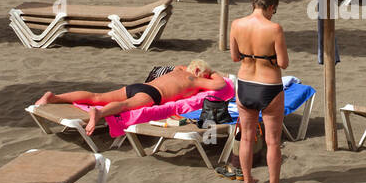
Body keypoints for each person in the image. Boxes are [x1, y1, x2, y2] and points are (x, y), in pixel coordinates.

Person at [35, 61, 229, 135]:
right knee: (125, 106)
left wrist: (194, 67)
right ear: (199, 72)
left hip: (141, 86)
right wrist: (213, 73)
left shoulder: (179, 70)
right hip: (153, 95)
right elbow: (220, 84)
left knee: (96, 96)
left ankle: (54, 97)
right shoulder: (194, 79)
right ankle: (100, 113)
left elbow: (183, 65)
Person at [228, 0, 290, 183]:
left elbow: (235, 57)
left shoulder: (236, 24)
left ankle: (247, 180)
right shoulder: (274, 29)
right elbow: (283, 63)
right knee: (272, 141)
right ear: (271, 7)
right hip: (269, 86)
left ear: (253, 3)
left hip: (245, 84)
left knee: (246, 136)